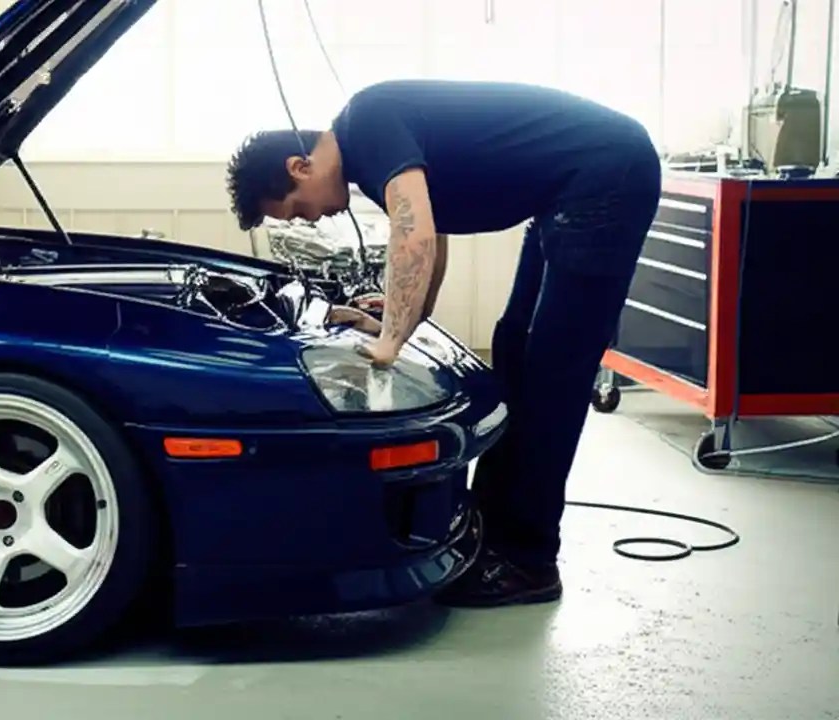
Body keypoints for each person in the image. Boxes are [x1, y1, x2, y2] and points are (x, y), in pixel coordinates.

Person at [224, 79, 661, 608]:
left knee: (553, 376)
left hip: (608, 176)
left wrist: (388, 345)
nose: (309, 219)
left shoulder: (366, 124)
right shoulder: (369, 158)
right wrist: (405, 317)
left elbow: (416, 237)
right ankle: (494, 533)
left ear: (300, 167)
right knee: (515, 349)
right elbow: (433, 226)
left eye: (296, 209)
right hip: (571, 188)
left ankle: (529, 561)